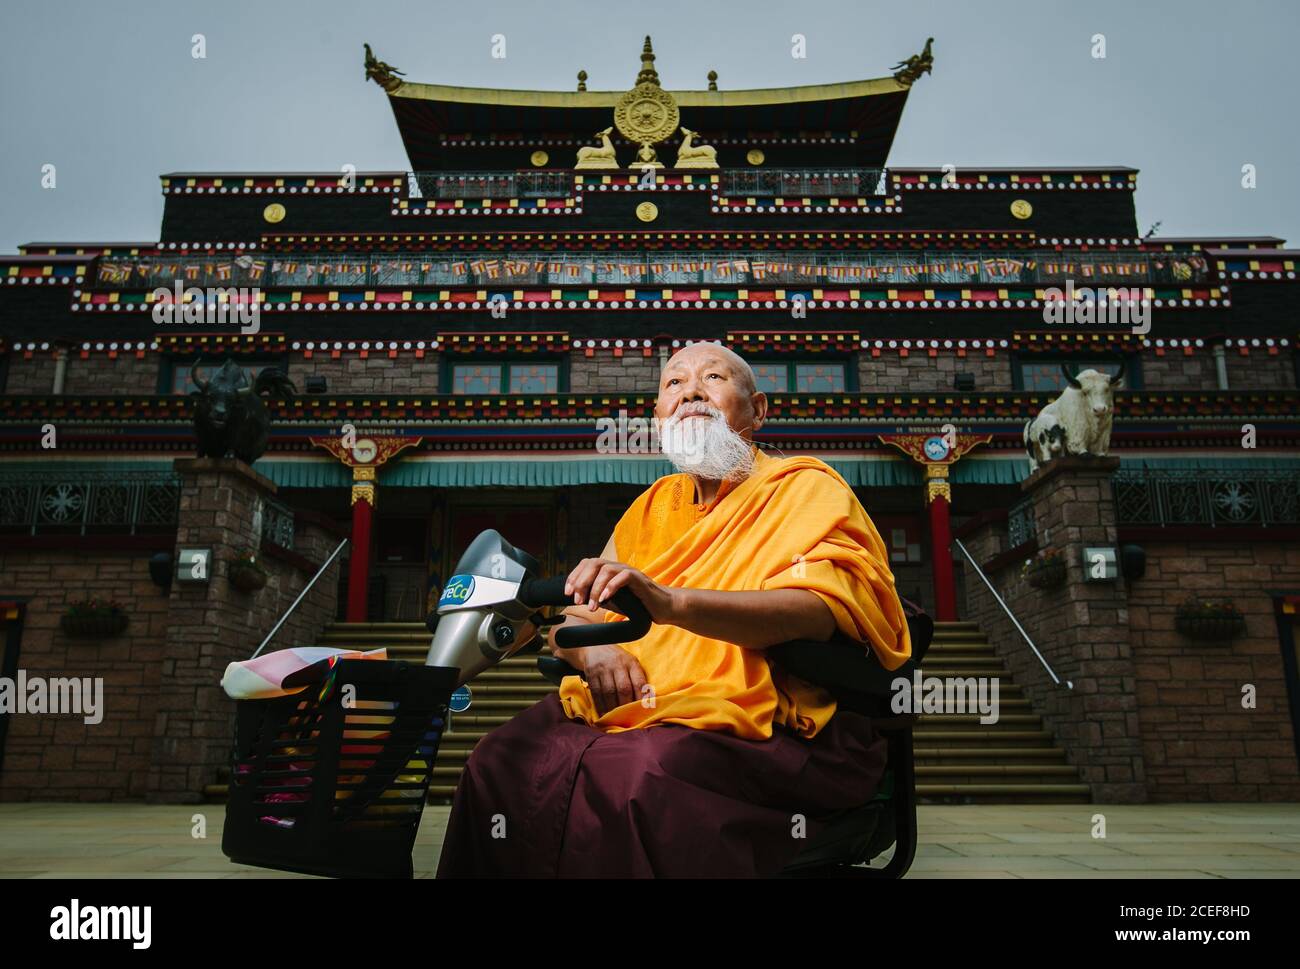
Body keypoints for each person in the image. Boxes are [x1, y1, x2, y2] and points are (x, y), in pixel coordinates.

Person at [435, 342, 912, 877]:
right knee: (495, 764)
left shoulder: (802, 487)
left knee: (636, 780)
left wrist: (671, 603)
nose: (690, 393)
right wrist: (596, 656)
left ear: (758, 409)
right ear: (659, 416)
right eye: (673, 385)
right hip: (628, 708)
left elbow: (817, 609)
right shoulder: (652, 506)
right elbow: (575, 619)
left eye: (713, 378)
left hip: (752, 722)